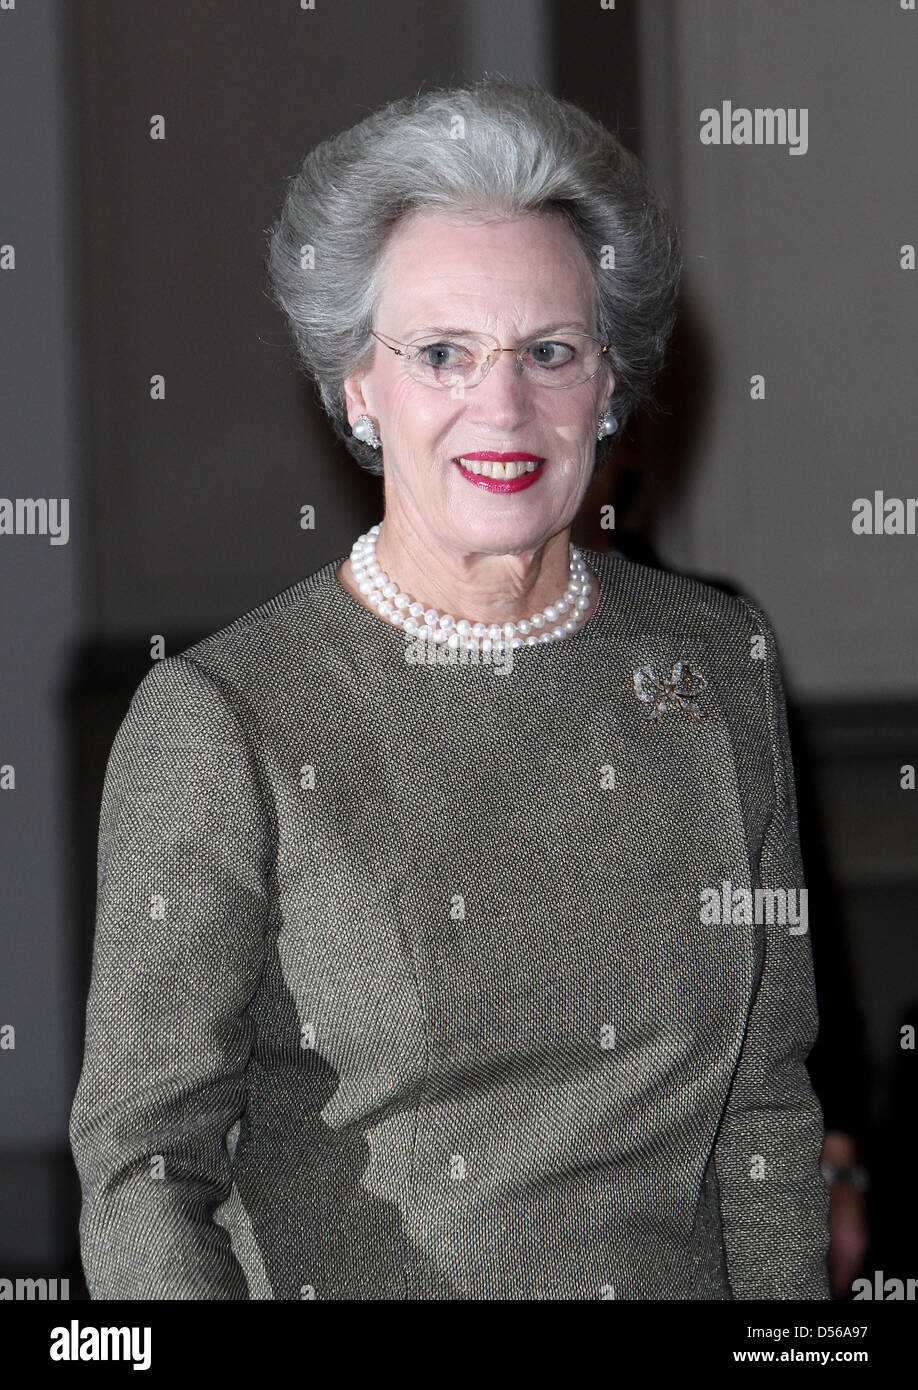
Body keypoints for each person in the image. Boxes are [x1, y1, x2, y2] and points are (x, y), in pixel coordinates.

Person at [69, 78, 831, 1299]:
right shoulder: (226, 719)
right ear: (358, 386)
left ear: (611, 382)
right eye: (441, 353)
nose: (503, 403)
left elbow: (767, 1110)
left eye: (550, 350)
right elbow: (143, 1170)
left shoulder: (715, 665)